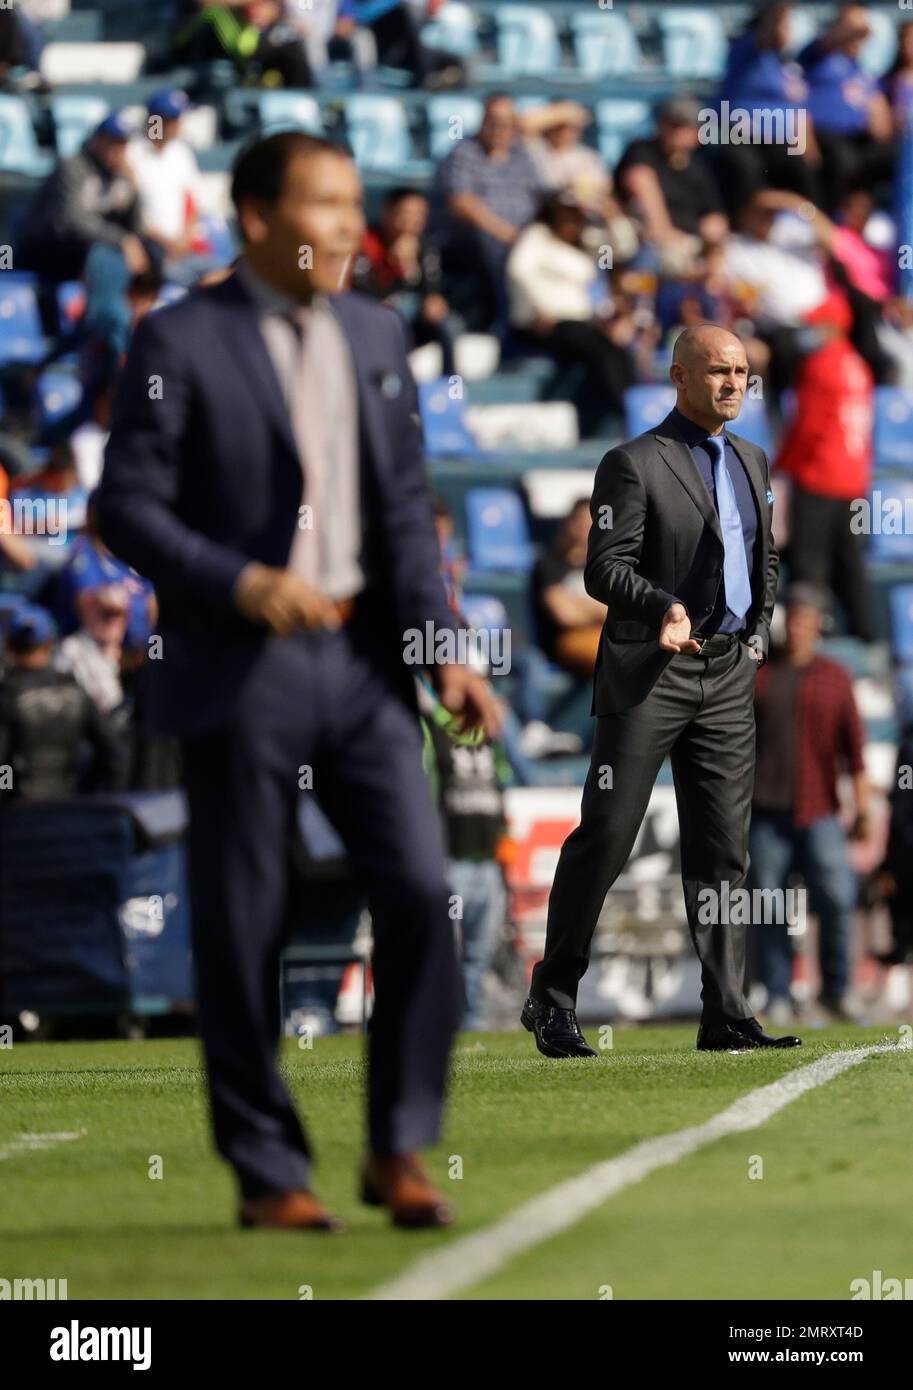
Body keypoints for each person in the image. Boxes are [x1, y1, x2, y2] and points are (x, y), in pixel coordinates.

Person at [95, 130, 501, 1232]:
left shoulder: (376, 331)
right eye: (323, 204)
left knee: (421, 888)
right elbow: (122, 508)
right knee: (245, 917)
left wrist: (444, 646)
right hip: (244, 661)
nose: (344, 224)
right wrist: (239, 581)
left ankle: (399, 1146)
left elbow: (407, 513)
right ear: (257, 217)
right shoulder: (175, 335)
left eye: (350, 202)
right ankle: (271, 1169)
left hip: (367, 664)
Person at [521, 324, 801, 1058]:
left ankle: (726, 1013)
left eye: (741, 372)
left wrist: (758, 631)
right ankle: (551, 998)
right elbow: (601, 570)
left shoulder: (751, 458)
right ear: (678, 376)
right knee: (608, 835)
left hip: (727, 674)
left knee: (722, 853)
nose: (733, 383)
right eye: (717, 371)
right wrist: (662, 608)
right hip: (652, 673)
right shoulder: (633, 462)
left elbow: (762, 561)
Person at [749, 583, 869, 1022]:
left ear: (819, 625)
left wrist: (865, 807)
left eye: (806, 619)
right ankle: (778, 994)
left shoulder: (835, 677)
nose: (798, 626)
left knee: (838, 897)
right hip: (765, 808)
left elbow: (854, 750)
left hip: (820, 810)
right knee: (768, 904)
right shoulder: (762, 671)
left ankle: (837, 991)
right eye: (793, 617)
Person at [775, 290, 875, 643]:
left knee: (808, 566)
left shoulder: (820, 364)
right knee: (851, 566)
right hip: (853, 481)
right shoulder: (858, 365)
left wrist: (779, 467)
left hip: (818, 477)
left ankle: (808, 644)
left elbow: (807, 427)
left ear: (833, 327)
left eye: (817, 324)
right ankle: (866, 637)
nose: (810, 329)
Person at [506, 192, 637, 433]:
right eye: (564, 214)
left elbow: (623, 247)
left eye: (575, 215)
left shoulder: (585, 243)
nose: (570, 221)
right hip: (545, 324)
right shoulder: (537, 237)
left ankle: (635, 414)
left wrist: (613, 218)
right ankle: (626, 414)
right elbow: (518, 271)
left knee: (619, 353)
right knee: (603, 352)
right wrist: (539, 310)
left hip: (582, 325)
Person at [429, 93, 544, 331]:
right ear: (482, 122)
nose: (500, 129)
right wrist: (507, 234)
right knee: (490, 247)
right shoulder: (464, 152)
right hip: (474, 243)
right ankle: (503, 328)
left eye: (507, 123)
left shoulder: (522, 156)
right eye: (494, 121)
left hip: (522, 240)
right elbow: (461, 203)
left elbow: (542, 197)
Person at [0, 604, 124, 800]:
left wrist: (5, 797)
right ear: (50, 644)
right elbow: (113, 753)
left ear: (8, 646)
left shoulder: (7, 694)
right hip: (67, 809)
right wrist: (88, 793)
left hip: (20, 815)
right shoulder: (74, 688)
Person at [798, 4, 895, 211]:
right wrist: (853, 27)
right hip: (825, 135)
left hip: (859, 138)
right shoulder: (818, 57)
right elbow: (829, 41)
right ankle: (834, 218)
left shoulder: (862, 70)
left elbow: (880, 116)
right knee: (844, 161)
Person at [615, 97, 728, 275]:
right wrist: (668, 235)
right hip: (652, 242)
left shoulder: (698, 165)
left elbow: (714, 216)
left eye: (686, 125)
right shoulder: (641, 151)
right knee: (671, 261)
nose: (680, 131)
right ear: (661, 124)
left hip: (693, 242)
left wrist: (713, 249)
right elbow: (643, 190)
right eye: (674, 124)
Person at [532, 498, 607, 680]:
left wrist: (579, 605)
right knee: (611, 657)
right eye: (580, 521)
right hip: (565, 641)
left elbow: (620, 610)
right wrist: (599, 608)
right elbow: (564, 615)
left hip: (603, 634)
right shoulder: (549, 563)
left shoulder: (604, 564)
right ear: (569, 522)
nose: (584, 527)